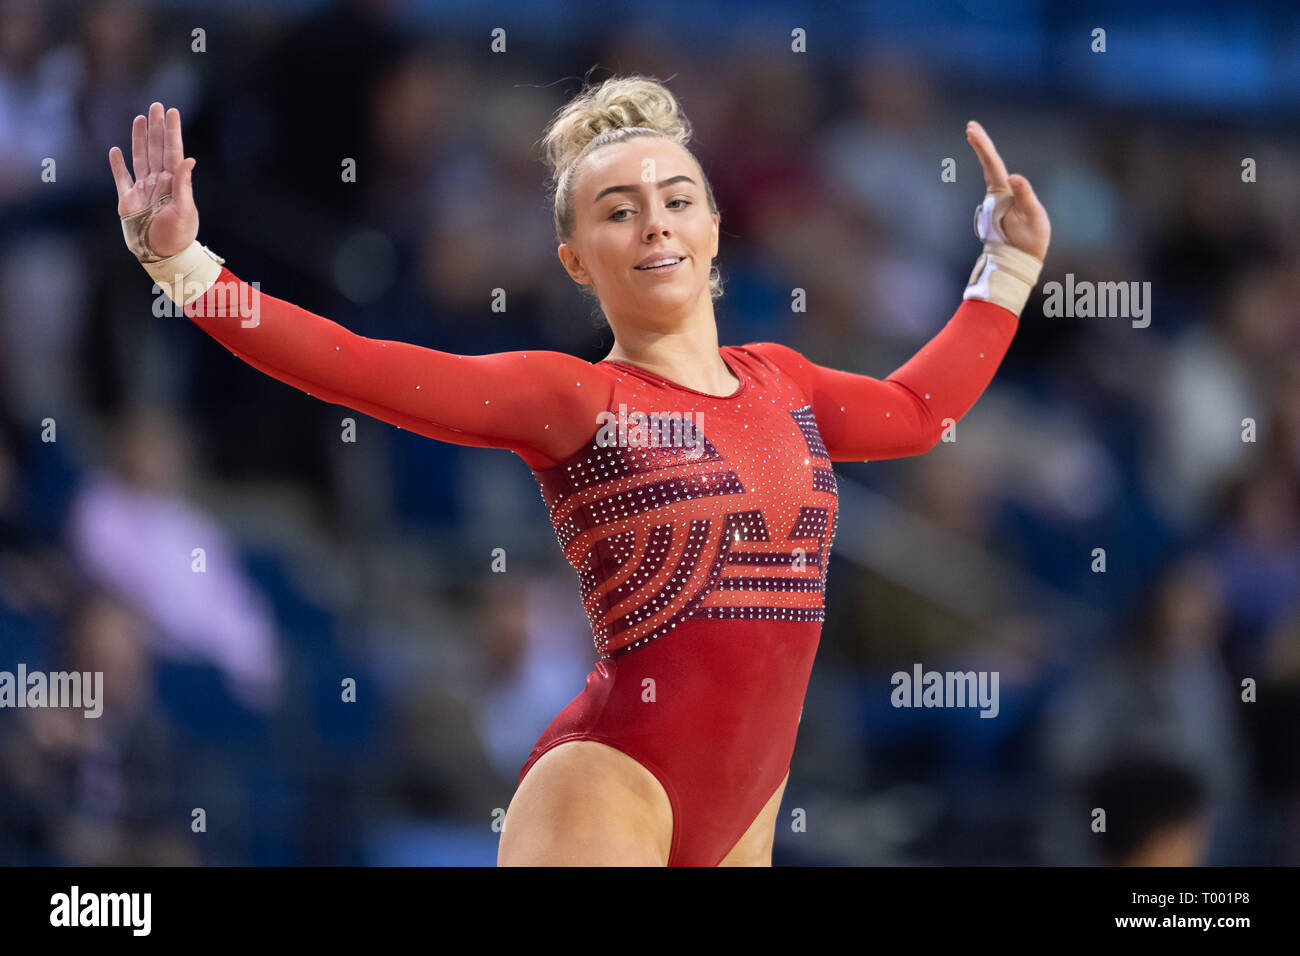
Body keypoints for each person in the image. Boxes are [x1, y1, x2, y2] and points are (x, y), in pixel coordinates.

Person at [108, 75, 1050, 866]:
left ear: (716, 228)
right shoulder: (574, 400)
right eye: (618, 211)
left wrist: (1007, 265)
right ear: (575, 260)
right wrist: (185, 267)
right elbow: (360, 366)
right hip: (609, 784)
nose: (655, 225)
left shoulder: (789, 383)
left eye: (677, 200)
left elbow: (923, 413)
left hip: (749, 812)